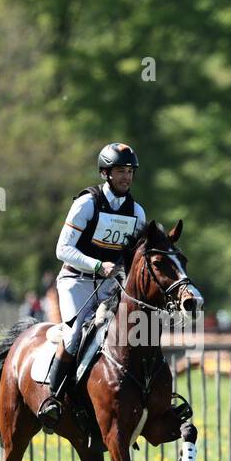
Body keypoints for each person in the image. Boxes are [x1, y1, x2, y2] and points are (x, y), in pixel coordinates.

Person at [37, 142, 146, 430]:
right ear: (105, 173)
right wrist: (98, 266)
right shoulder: (87, 203)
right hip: (77, 281)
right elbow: (63, 249)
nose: (126, 177)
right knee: (74, 336)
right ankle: (52, 398)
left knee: (136, 331)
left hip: (111, 286)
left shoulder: (137, 212)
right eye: (120, 171)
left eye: (130, 171)